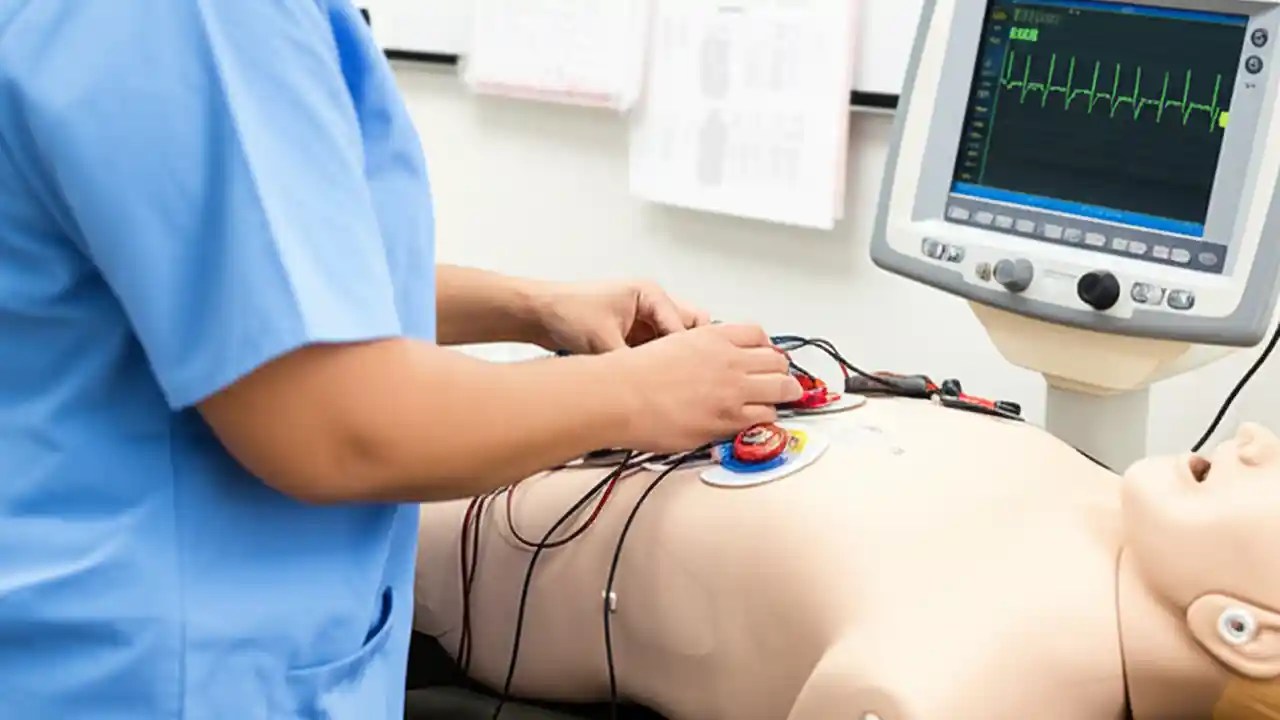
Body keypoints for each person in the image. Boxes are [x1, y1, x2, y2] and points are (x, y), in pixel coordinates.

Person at [0, 2, 802, 719]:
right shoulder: (204, 20)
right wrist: (635, 394)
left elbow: (262, 276)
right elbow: (342, 423)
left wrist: (532, 308)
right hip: (156, 671)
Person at [412, 397, 1280, 719]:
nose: (1255, 436)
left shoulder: (969, 683)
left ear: (1251, 634)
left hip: (433, 542)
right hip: (555, 431)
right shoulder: (1104, 501)